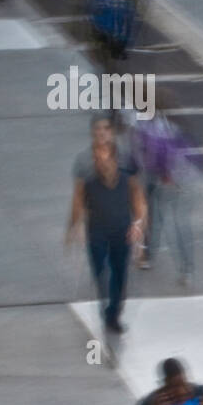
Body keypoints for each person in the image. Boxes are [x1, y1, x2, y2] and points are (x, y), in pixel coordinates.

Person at [66, 138, 146, 334]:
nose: (99, 163)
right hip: (97, 235)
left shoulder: (128, 181)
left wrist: (137, 225)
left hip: (121, 233)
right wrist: (73, 228)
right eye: (96, 158)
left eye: (103, 158)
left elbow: (139, 204)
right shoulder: (88, 181)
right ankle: (106, 308)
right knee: (101, 274)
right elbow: (78, 205)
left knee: (120, 276)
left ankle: (113, 314)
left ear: (114, 160)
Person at [134, 113, 195, 284]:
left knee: (155, 219)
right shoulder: (176, 127)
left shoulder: (146, 127)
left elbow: (142, 155)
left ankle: (148, 256)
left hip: (159, 180)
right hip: (179, 181)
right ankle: (187, 270)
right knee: (179, 225)